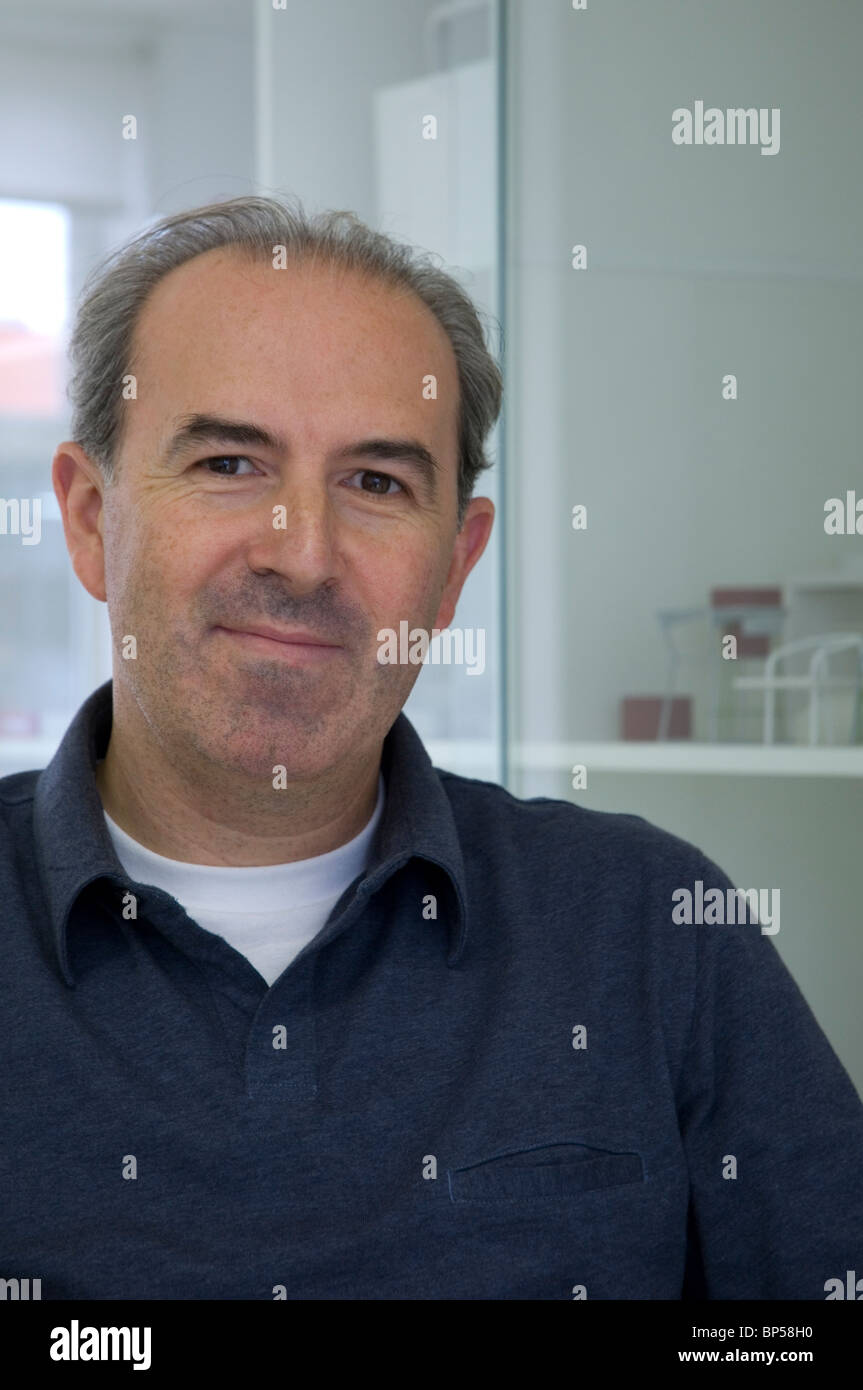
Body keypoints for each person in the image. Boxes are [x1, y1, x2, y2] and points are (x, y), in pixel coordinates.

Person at [1, 195, 861, 1301]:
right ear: (86, 517)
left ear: (454, 567)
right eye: (227, 463)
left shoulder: (652, 929)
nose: (302, 556)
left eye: (375, 483)